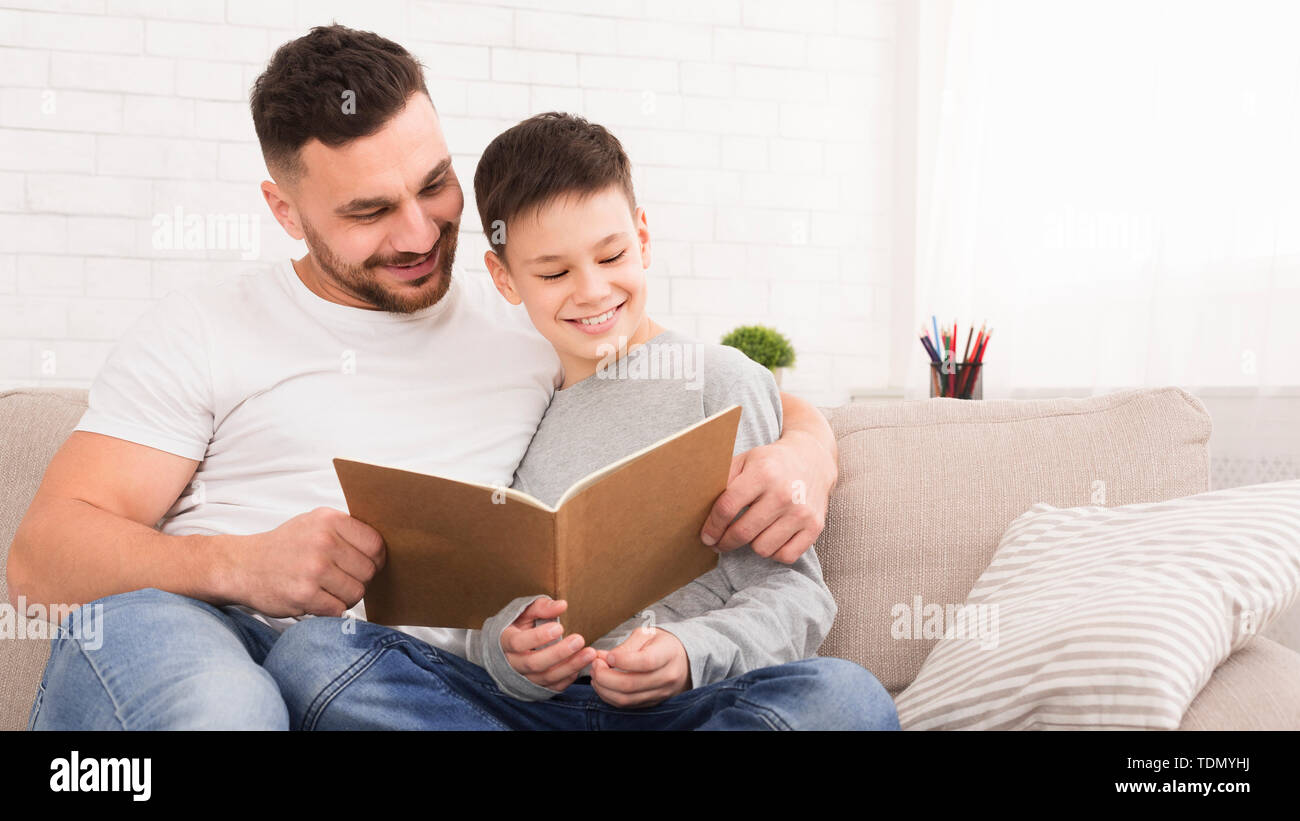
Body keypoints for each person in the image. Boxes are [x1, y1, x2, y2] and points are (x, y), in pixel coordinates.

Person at [11, 24, 846, 730]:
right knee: (228, 709)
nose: (418, 234)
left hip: (407, 679)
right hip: (199, 622)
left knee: (837, 698)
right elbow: (41, 560)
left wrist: (807, 451)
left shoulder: (525, 318)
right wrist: (238, 565)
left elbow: (687, 379)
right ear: (285, 211)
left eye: (435, 185)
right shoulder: (200, 326)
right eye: (369, 212)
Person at [255, 112, 900, 730]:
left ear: (642, 238)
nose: (592, 291)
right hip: (536, 713)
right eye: (555, 272)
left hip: (693, 705)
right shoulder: (517, 406)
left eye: (613, 256)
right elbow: (494, 617)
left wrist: (685, 653)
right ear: (505, 279)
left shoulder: (720, 382)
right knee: (313, 654)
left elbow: (794, 596)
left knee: (846, 699)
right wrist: (513, 656)